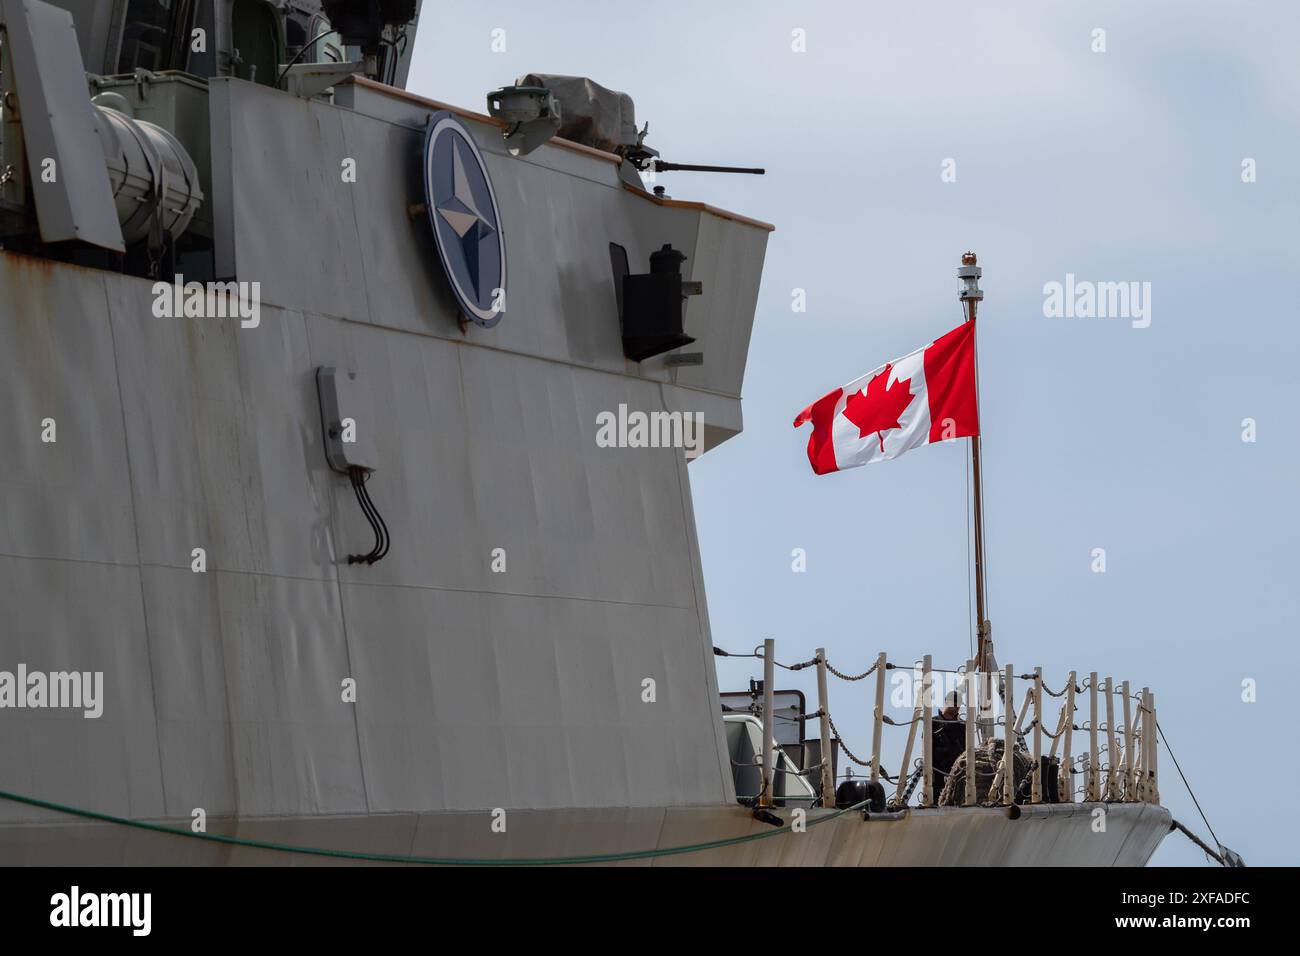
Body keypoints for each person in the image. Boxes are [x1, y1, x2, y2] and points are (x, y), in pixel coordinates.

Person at [930, 690, 965, 800]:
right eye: (955, 704)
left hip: (958, 773)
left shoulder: (962, 726)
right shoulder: (933, 722)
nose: (957, 708)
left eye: (959, 705)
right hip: (938, 772)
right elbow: (925, 748)